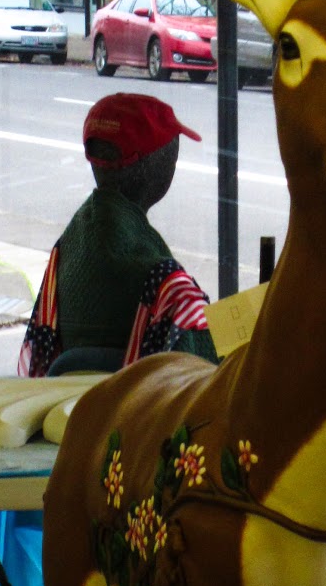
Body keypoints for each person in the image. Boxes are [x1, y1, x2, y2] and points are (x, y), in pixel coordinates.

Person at [18, 92, 217, 377]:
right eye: (172, 153)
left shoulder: (69, 247)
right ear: (153, 166)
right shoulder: (166, 283)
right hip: (132, 413)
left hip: (69, 407)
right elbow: (204, 365)